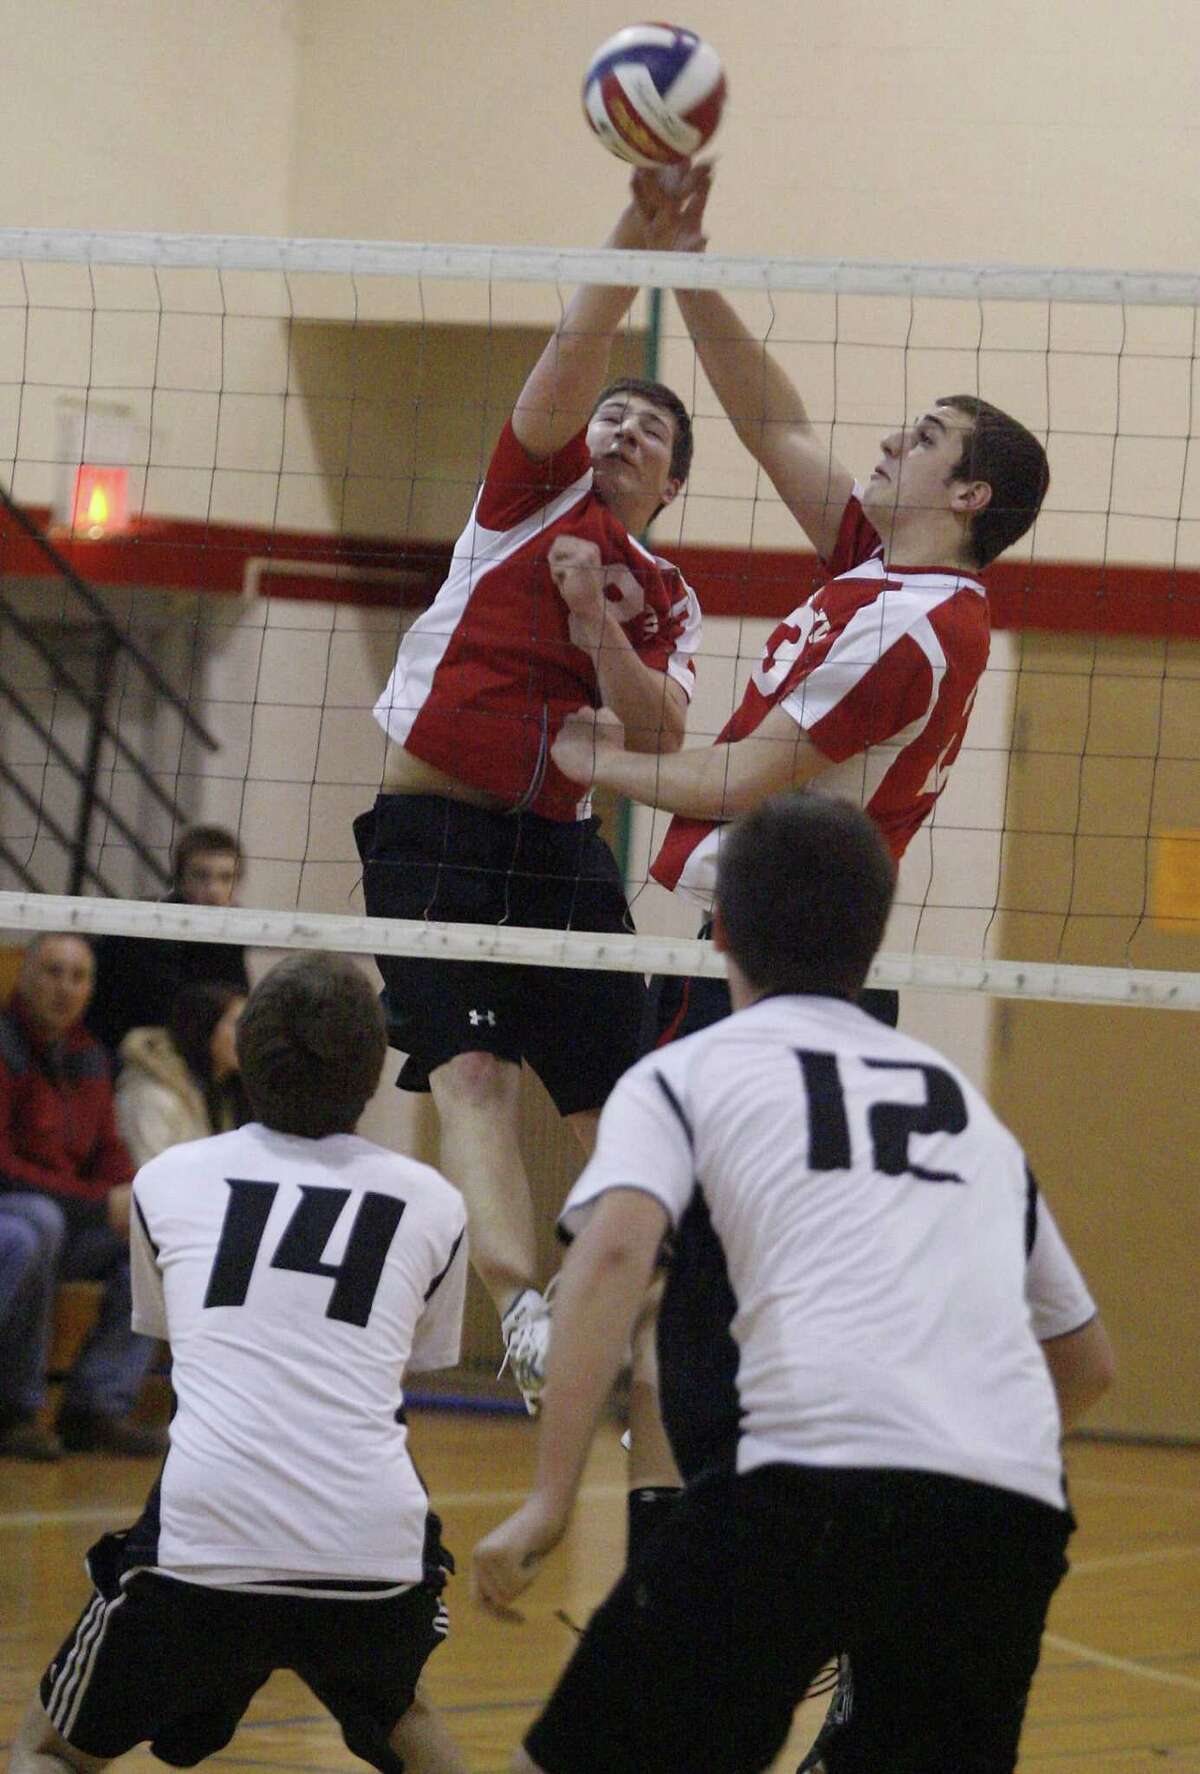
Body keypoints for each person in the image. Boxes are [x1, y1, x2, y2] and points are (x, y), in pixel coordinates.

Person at [473, 793, 1111, 1774]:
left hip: (804, 1490)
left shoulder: (686, 1073)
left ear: (719, 927)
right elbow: (1085, 1362)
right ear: (877, 937)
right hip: (1004, 1519)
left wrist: (550, 1499)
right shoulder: (963, 1107)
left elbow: (609, 1257)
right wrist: (945, 1472)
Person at [552, 163, 1051, 1040]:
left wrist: (591, 760)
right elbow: (773, 426)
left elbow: (742, 779)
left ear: (970, 496)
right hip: (775, 956)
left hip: (782, 975)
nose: (896, 438)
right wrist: (689, 271)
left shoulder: (913, 627)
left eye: (928, 439)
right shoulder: (893, 570)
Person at [355, 179, 704, 1407]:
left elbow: (663, 725)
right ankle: (525, 1315)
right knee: (473, 1080)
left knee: (618, 1103)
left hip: (558, 848)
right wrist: (639, 231)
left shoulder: (663, 590)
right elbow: (580, 337)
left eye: (648, 431)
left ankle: (628, 1310)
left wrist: (594, 620)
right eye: (611, 416)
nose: (618, 430)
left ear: (673, 485)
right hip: (434, 828)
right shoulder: (528, 490)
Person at [7, 951, 472, 1774]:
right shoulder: (434, 1201)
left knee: (50, 1747)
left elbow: (170, 1329)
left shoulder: (169, 1180)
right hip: (370, 1544)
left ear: (249, 1053)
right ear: (374, 1071)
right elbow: (415, 1363)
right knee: (401, 1709)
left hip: (205, 1541)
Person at [0, 934, 163, 1461]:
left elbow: (108, 1149)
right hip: (21, 1212)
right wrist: (98, 1205)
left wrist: (133, 1195)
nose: (65, 988)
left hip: (62, 1216)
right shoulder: (4, 1045)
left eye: (79, 976)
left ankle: (97, 1406)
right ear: (24, 975)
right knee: (35, 1226)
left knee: (149, 1236)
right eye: (53, 972)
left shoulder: (89, 1055)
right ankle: (16, 1411)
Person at [87, 825, 250, 1058]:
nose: (214, 890)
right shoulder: (144, 933)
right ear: (181, 881)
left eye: (226, 878)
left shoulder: (234, 936)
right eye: (201, 876)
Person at [115, 980, 248, 1169]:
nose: (248, 1035)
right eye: (237, 1024)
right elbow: (151, 1179)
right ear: (205, 1025)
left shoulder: (221, 1091)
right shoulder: (152, 1093)